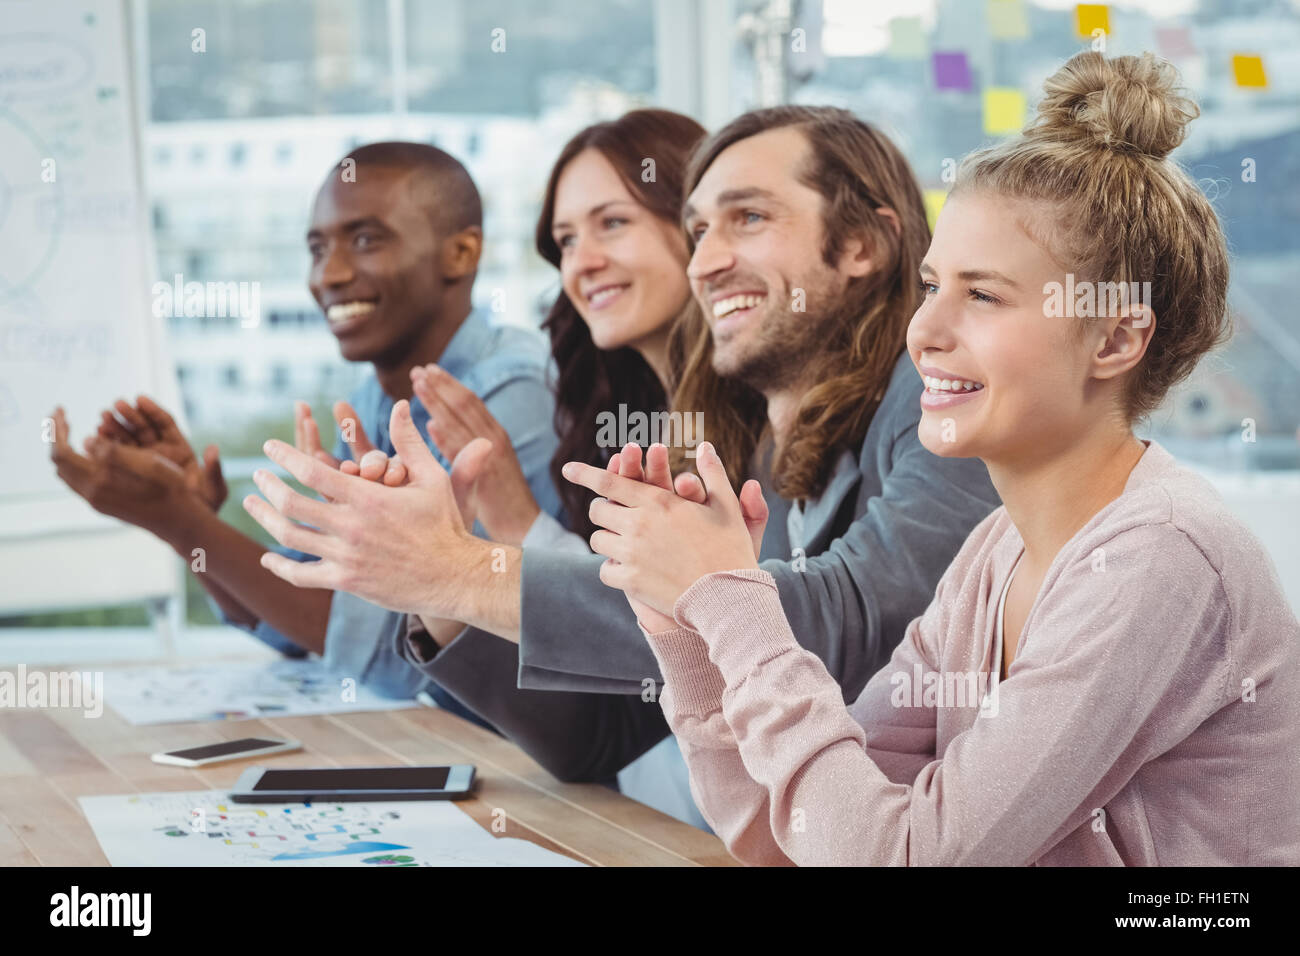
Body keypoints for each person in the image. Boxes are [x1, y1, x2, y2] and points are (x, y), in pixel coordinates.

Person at [564, 51, 1300, 865]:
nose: (926, 332)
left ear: (1117, 335)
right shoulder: (993, 554)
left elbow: (906, 859)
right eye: (930, 286)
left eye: (982, 295)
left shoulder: (1158, 557)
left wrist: (731, 598)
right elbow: (781, 840)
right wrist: (686, 631)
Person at [240, 108, 1002, 808]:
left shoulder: (936, 395)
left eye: (749, 217)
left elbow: (841, 627)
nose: (704, 262)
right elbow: (604, 734)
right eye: (698, 231)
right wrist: (441, 600)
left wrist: (462, 569)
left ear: (863, 243)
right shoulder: (762, 444)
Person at [49, 143, 561, 724]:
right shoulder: (374, 396)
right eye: (318, 248)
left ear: (461, 252)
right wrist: (190, 526)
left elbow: (391, 655)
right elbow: (296, 618)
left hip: (527, 769)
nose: (329, 275)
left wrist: (177, 520)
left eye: (366, 240)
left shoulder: (506, 394)